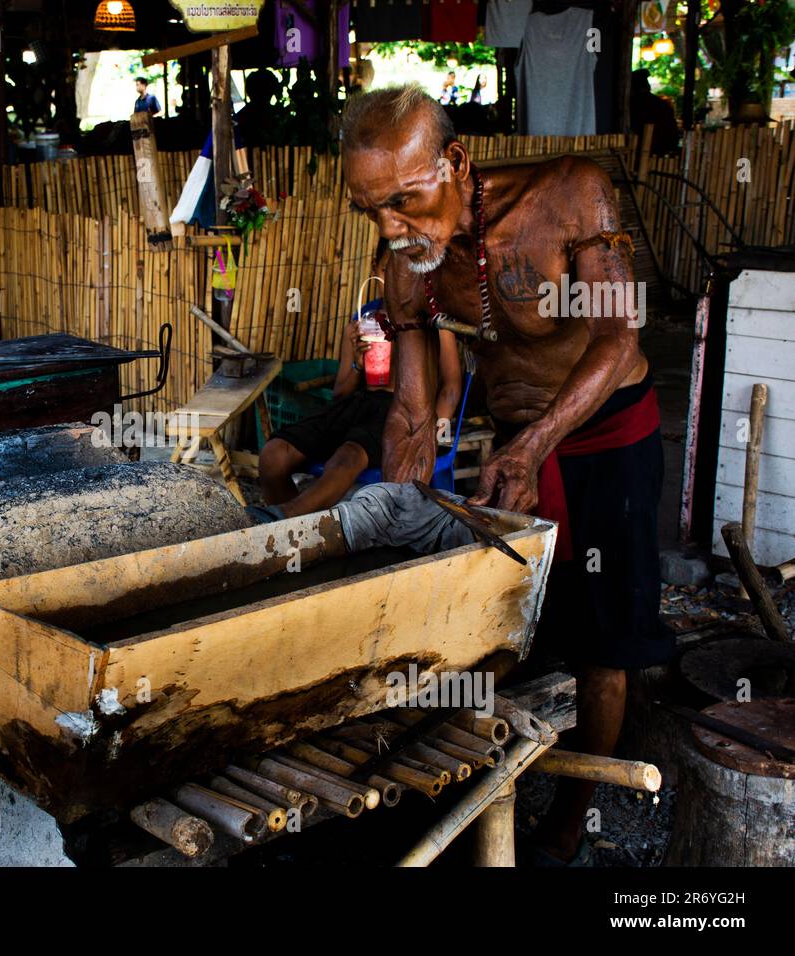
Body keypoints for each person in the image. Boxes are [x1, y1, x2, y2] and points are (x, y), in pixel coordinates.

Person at [345, 84, 667, 865]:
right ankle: (479, 786)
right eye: (372, 212)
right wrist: (400, 514)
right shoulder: (410, 262)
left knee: (601, 642)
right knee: (496, 625)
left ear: (454, 161)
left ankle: (575, 812)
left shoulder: (570, 195)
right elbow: (414, 417)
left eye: (406, 201)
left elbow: (618, 339)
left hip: (607, 440)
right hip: (522, 444)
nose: (392, 229)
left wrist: (536, 445)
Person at [259, 270, 463, 519]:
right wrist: (356, 363)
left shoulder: (435, 322)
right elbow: (341, 393)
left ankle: (283, 519)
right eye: (387, 270)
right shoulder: (364, 321)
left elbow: (451, 389)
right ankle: (298, 538)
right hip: (356, 405)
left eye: (407, 269)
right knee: (273, 456)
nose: (397, 278)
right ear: (375, 271)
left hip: (405, 411)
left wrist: (429, 433)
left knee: (348, 456)